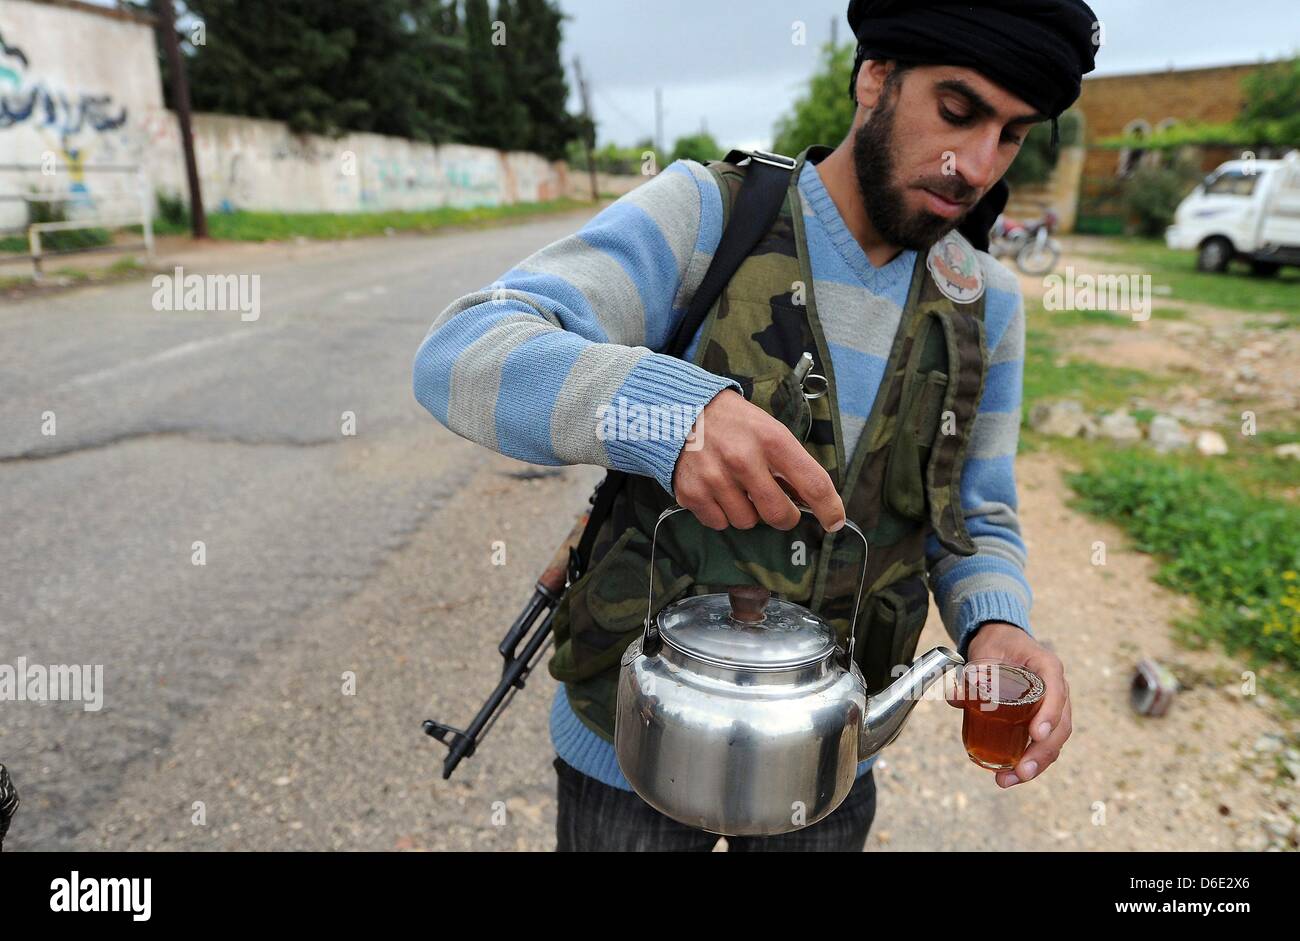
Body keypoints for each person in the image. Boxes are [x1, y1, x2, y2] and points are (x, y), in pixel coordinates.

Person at [414, 0, 1099, 852]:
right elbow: (462, 351)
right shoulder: (709, 215)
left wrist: (999, 624)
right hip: (629, 759)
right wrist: (668, 414)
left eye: (1013, 135)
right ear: (875, 76)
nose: (976, 165)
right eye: (957, 112)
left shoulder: (984, 302)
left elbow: (975, 516)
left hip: (826, 764)